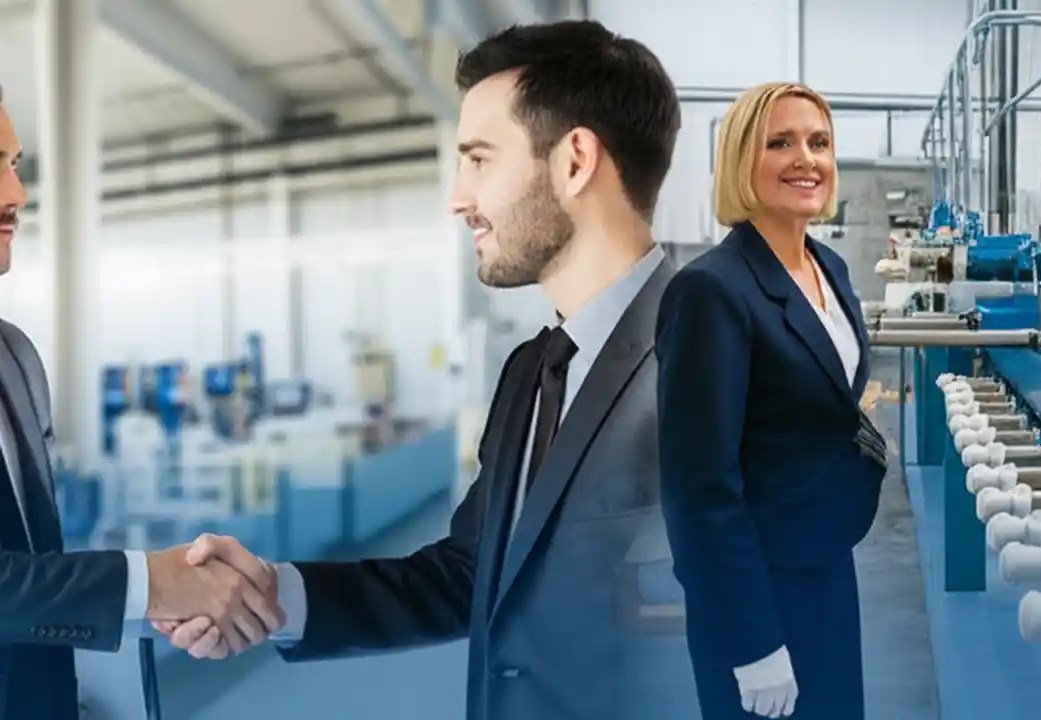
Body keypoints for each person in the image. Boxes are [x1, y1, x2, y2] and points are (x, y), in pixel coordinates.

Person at [156, 20, 697, 720]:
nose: (457, 197)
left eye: (479, 160)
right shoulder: (533, 372)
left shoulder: (712, 358)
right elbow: (471, 576)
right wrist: (270, 595)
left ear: (574, 162)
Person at [0, 84, 284, 720]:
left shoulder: (15, 360)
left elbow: (33, 566)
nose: (15, 196)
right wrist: (149, 584)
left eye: (13, 165)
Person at [654, 82, 888, 720]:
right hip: (757, 592)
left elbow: (822, 398)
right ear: (740, 161)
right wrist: (751, 643)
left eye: (819, 143)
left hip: (826, 568)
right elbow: (699, 489)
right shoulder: (712, 291)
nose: (805, 159)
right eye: (779, 143)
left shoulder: (829, 268)